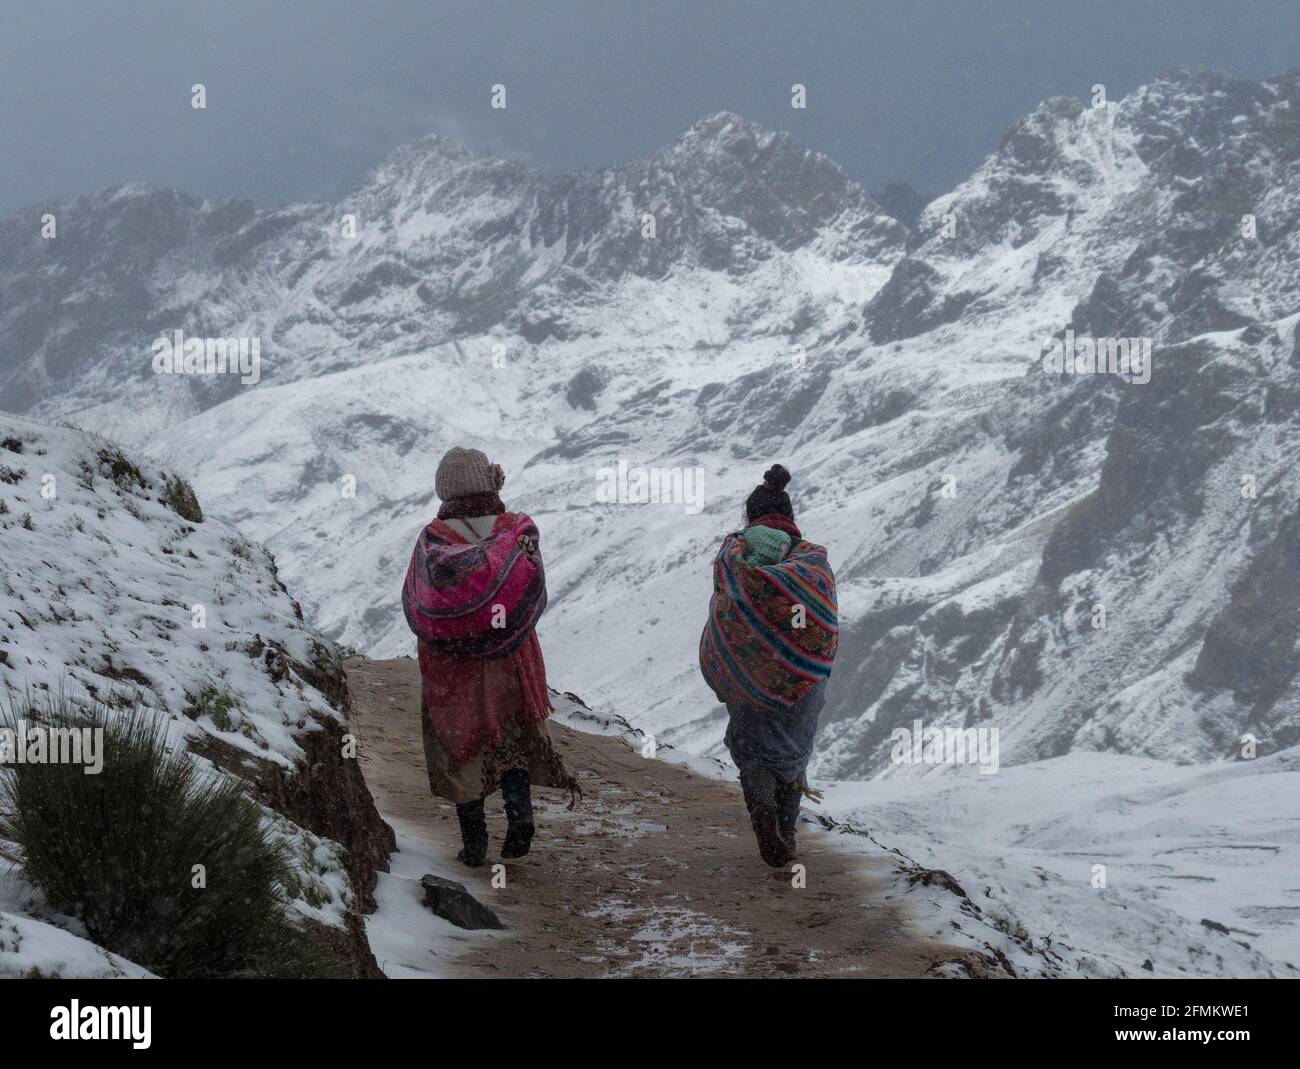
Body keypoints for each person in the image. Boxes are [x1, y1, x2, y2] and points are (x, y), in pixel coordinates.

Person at [402, 446, 578, 866]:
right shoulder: (516, 531)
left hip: (453, 665)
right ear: (488, 481)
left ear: (444, 490)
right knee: (509, 734)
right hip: (511, 660)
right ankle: (520, 816)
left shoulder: (432, 541)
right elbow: (533, 591)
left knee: (462, 742)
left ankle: (475, 840)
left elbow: (419, 601)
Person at [699, 464, 839, 867]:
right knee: (793, 753)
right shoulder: (811, 560)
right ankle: (788, 834)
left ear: (751, 517)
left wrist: (750, 644)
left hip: (749, 670)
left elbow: (726, 603)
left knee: (755, 751)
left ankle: (762, 812)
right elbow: (823, 614)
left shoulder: (732, 554)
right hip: (803, 675)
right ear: (791, 517)